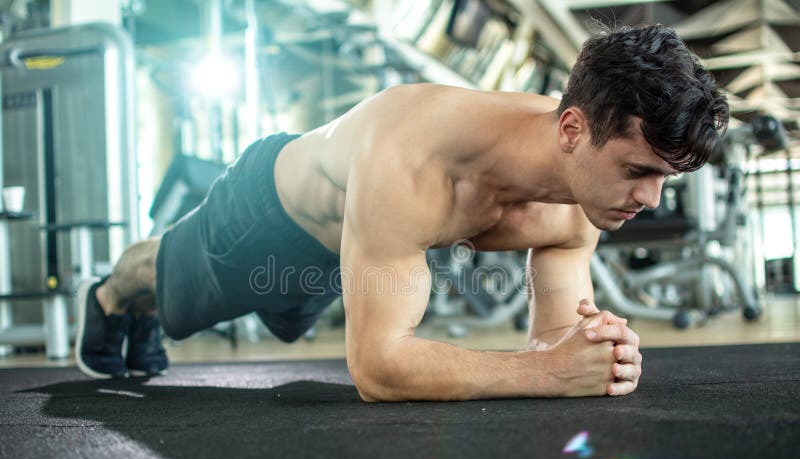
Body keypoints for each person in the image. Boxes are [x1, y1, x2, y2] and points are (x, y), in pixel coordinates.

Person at [74, 24, 728, 400]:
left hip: (348, 251)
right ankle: (107, 297)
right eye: (638, 172)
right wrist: (546, 369)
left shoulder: (578, 204)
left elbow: (552, 341)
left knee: (275, 313)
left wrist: (593, 352)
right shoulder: (415, 156)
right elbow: (377, 368)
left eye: (664, 178)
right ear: (571, 129)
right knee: (170, 289)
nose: (649, 199)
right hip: (266, 215)